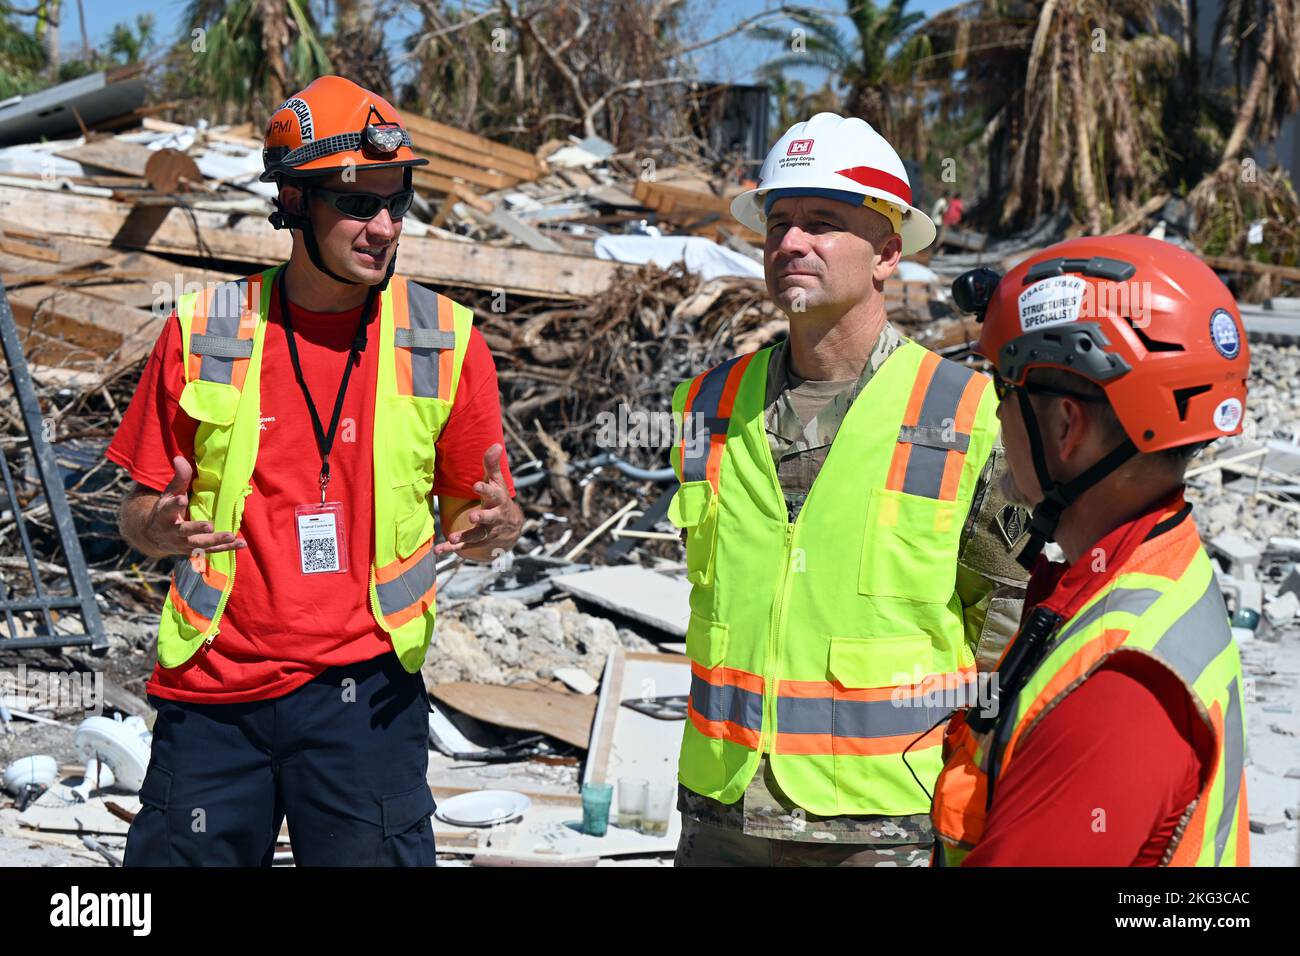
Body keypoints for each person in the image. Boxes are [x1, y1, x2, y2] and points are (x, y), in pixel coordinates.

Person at [108, 75, 523, 866]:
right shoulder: (204, 331)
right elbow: (137, 513)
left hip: (365, 701)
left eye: (395, 201)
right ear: (295, 203)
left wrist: (497, 531)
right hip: (213, 695)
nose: (383, 226)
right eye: (357, 203)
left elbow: (485, 521)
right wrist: (155, 529)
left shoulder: (445, 339)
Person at [667, 113, 1029, 867]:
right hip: (719, 813)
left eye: (823, 224)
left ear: (887, 253)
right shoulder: (702, 406)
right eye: (780, 223)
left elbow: (1007, 626)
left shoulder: (969, 414)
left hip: (882, 824)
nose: (791, 242)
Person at [931, 234, 1251, 866]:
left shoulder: (1115, 690)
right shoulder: (1148, 568)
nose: (996, 418)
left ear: (1064, 428)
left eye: (1003, 389)